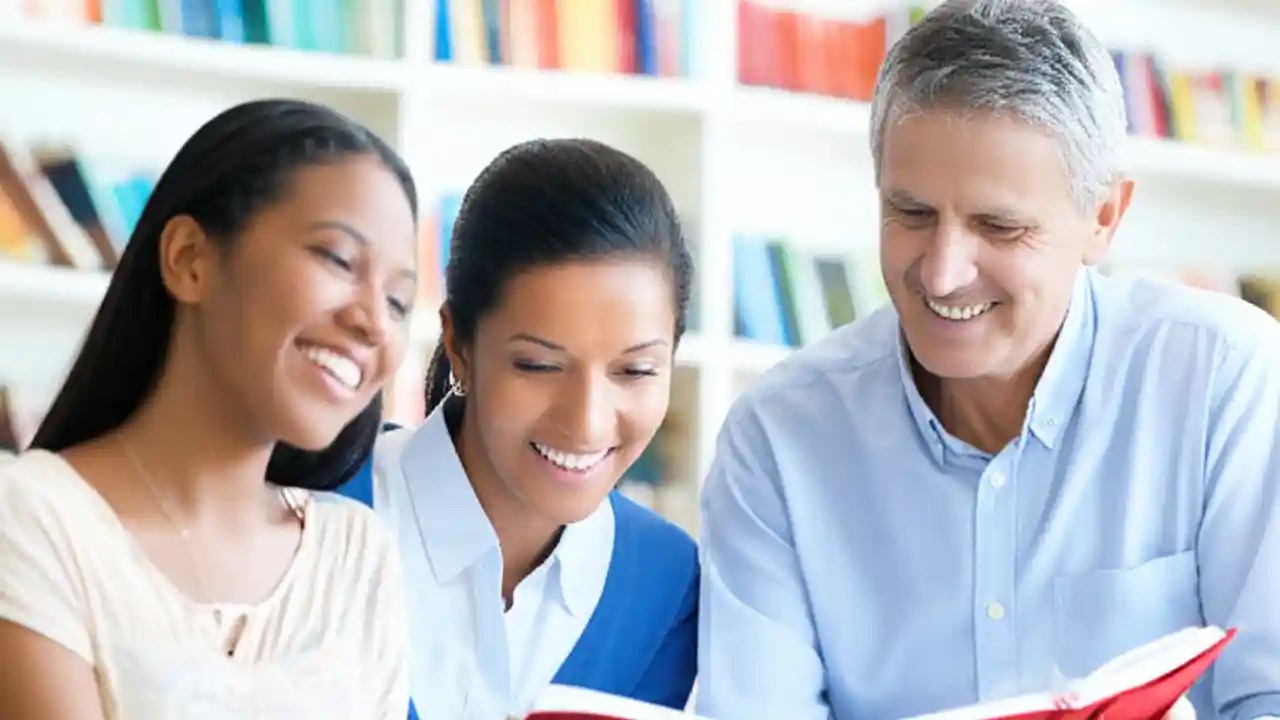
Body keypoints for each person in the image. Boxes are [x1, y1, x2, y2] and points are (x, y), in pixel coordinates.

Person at [695, 1, 1280, 719]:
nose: (941, 274)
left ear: (1104, 218)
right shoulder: (778, 438)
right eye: (910, 213)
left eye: (998, 227)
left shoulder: (1225, 381)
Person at [0, 99, 419, 719]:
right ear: (189, 259)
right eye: (337, 260)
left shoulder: (357, 557)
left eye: (399, 302)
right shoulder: (35, 520)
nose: (371, 321)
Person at [336, 137, 699, 719]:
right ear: (459, 344)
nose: (585, 422)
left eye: (634, 370)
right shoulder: (319, 506)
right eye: (538, 365)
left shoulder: (665, 584)